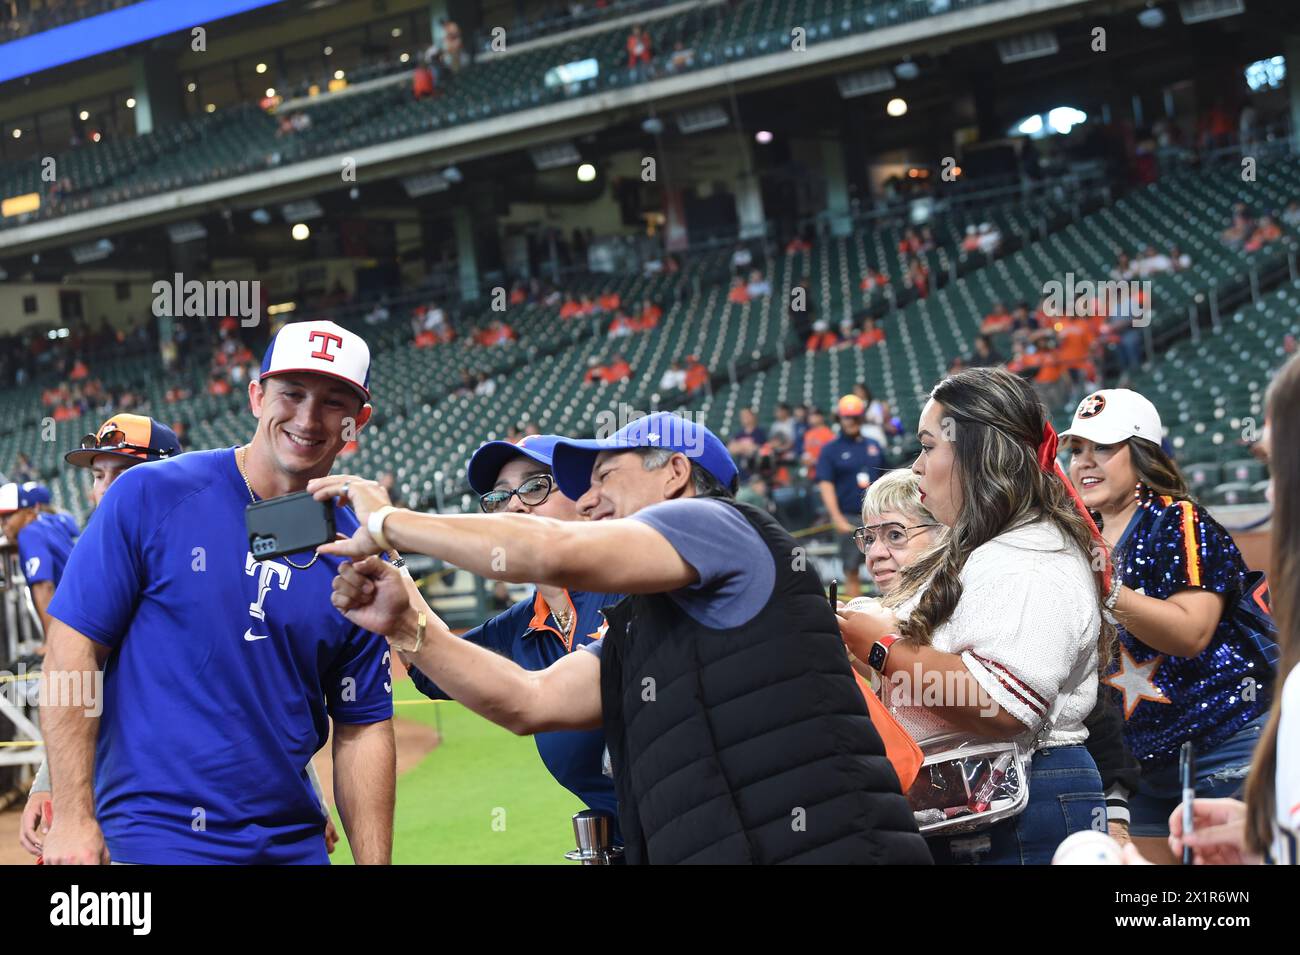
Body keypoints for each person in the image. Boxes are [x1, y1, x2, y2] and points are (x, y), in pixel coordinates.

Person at [311, 412, 932, 865]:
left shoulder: (723, 526)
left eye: (605, 475)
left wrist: (390, 523)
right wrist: (408, 625)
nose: (590, 500)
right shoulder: (638, 621)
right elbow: (533, 702)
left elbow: (554, 549)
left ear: (676, 475)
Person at [39, 321, 394, 865]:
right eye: (291, 394)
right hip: (156, 837)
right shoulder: (151, 494)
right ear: (256, 396)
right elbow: (72, 647)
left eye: (332, 402)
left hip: (291, 843)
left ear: (357, 423)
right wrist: (72, 814)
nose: (306, 418)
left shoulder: (357, 548)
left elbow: (362, 724)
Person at [836, 367, 1110, 864]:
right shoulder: (994, 549)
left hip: (1029, 801)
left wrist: (883, 648)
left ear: (975, 450)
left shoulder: (1030, 553)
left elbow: (1002, 706)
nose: (916, 467)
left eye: (927, 446)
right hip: (980, 801)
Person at [854, 468, 1141, 844]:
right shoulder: (879, 613)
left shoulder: (1003, 578)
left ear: (946, 531)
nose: (876, 553)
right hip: (949, 801)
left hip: (1028, 791)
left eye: (895, 535)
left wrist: (883, 648)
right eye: (868, 538)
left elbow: (1043, 707)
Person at [1062, 388, 1277, 864]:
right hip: (1140, 761)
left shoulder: (1178, 520)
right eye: (1077, 449)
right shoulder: (1075, 535)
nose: (1084, 462)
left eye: (1103, 447)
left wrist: (1110, 593)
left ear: (1142, 453)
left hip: (1223, 742)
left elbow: (1190, 633)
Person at [407, 434, 621, 831]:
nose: (516, 505)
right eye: (500, 497)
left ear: (588, 500)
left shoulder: (635, 583)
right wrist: (394, 571)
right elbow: (431, 669)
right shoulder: (522, 623)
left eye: (536, 485)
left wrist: (395, 527)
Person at [816, 395, 888, 599]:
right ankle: (857, 616)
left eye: (855, 417)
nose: (850, 421)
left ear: (861, 418)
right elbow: (825, 484)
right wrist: (836, 516)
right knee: (851, 570)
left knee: (887, 565)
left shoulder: (873, 445)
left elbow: (885, 480)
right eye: (846, 417)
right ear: (839, 418)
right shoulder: (830, 450)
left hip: (876, 516)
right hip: (848, 516)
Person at [0, 482, 80, 653]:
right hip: (88, 613)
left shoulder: (28, 534)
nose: (3, 524)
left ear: (29, 514)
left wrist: (53, 643)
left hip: (77, 623)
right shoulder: (51, 521)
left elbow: (44, 587)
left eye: (8, 517)